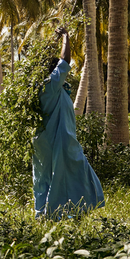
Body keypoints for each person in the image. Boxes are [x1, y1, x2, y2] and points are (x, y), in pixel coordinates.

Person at [32, 27, 104, 218]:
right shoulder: (50, 85)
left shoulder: (44, 88)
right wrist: (65, 36)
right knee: (75, 173)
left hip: (44, 140)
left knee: (44, 177)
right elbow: (64, 61)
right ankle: (69, 212)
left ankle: (46, 214)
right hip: (60, 140)